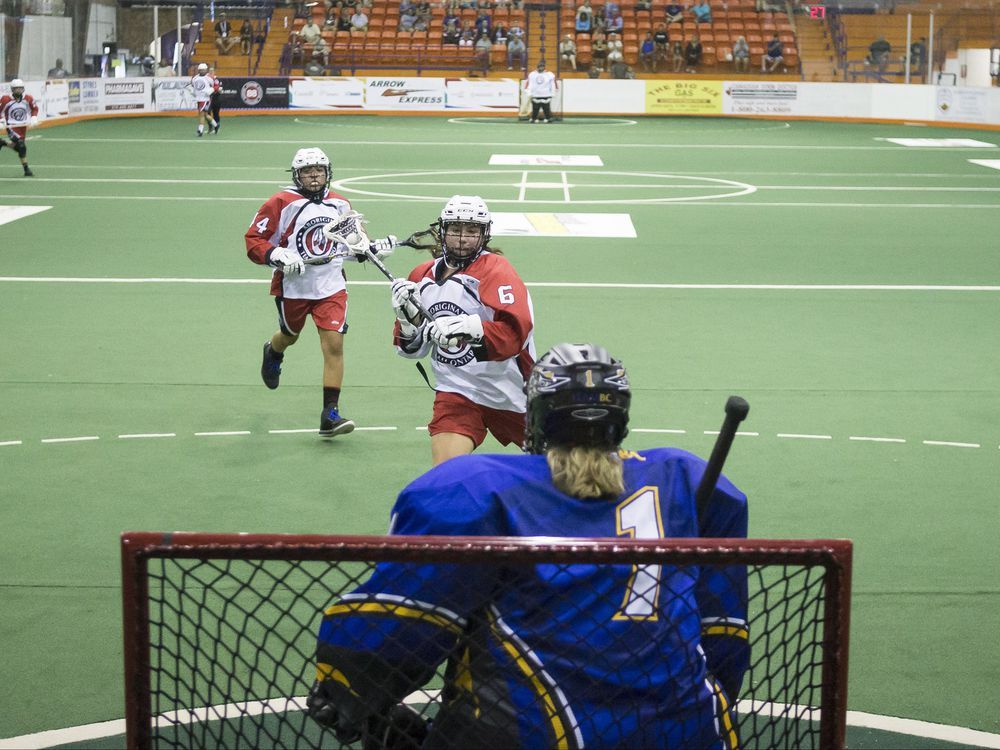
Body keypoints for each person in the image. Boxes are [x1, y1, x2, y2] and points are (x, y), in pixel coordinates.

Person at [307, 343, 750, 749]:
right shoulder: (684, 478)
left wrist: (345, 692)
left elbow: (398, 627)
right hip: (687, 729)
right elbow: (722, 631)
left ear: (536, 417)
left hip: (531, 732)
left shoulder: (479, 487)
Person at [245, 147, 396, 438]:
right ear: (296, 175)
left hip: (331, 286)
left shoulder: (340, 204)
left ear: (328, 173)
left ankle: (330, 414)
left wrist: (373, 248)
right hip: (294, 286)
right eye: (307, 171)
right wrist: (276, 255)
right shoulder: (281, 202)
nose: (314, 176)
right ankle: (274, 350)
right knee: (290, 335)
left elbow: (353, 245)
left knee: (334, 344)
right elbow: (254, 240)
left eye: (319, 171)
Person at [388, 195, 534, 465]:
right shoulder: (421, 276)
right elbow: (411, 351)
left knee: (571, 469)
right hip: (457, 391)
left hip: (513, 392)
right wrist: (409, 323)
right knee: (446, 474)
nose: (462, 239)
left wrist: (471, 329)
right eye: (455, 230)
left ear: (484, 234)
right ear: (443, 231)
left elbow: (517, 335)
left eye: (471, 231)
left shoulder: (496, 270)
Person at [0, 79, 38, 177]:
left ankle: (3, 143)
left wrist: (34, 117)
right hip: (11, 127)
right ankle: (26, 169)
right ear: (12, 89)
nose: (18, 90)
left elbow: (34, 108)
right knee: (21, 145)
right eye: (16, 88)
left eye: (20, 88)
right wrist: (2, 120)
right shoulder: (5, 99)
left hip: (23, 127)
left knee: (20, 148)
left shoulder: (28, 98)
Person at [190, 63, 217, 137]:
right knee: (205, 115)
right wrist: (192, 91)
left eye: (203, 70)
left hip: (205, 99)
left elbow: (216, 85)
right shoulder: (195, 78)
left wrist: (212, 89)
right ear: (198, 70)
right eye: (201, 70)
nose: (202, 71)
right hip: (198, 99)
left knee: (201, 114)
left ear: (206, 70)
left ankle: (200, 130)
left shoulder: (209, 78)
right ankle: (216, 125)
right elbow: (193, 86)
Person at [208, 67, 222, 134]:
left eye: (212, 71)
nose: (211, 72)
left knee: (216, 113)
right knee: (207, 113)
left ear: (214, 72)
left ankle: (217, 128)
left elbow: (219, 89)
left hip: (216, 98)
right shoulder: (207, 79)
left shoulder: (216, 79)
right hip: (208, 99)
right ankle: (210, 128)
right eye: (210, 71)